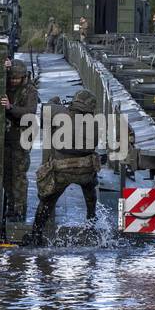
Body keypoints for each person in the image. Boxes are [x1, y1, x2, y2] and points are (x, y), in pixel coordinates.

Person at [21, 89, 100, 246]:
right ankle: (91, 224)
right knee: (90, 194)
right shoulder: (95, 122)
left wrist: (53, 101)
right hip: (85, 170)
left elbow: (44, 112)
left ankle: (36, 235)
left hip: (62, 170)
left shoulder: (59, 113)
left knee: (47, 201)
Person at [1, 58, 39, 222]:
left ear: (24, 77)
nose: (13, 81)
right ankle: (11, 207)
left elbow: (29, 112)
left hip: (22, 137)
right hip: (7, 137)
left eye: (17, 78)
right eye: (11, 78)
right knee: (6, 175)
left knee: (19, 175)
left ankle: (19, 210)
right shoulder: (4, 84)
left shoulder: (29, 90)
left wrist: (10, 108)